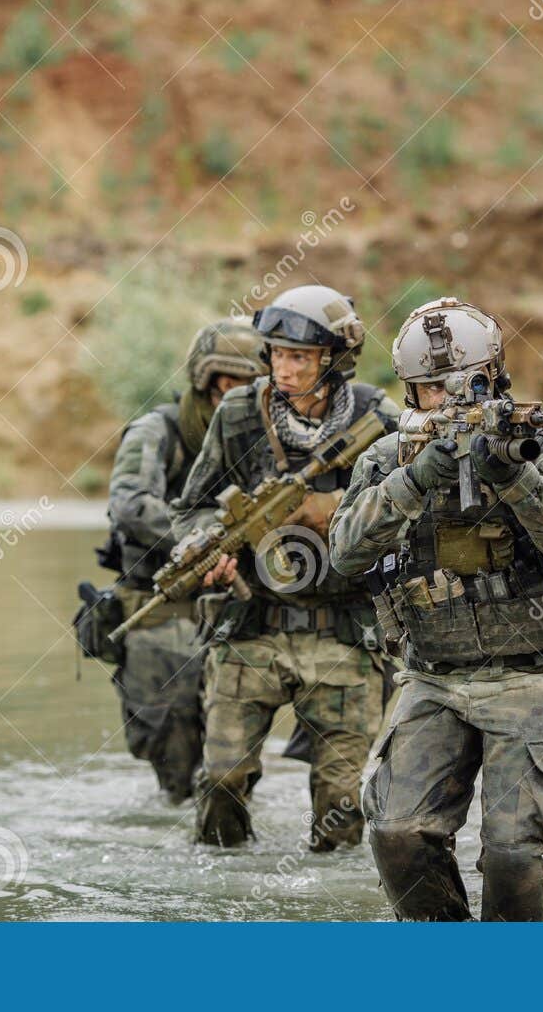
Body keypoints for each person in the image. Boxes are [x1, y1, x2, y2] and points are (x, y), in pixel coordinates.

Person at [328, 297, 543, 921]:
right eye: (431, 389)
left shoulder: (542, 451)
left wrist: (512, 477)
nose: (447, 401)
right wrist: (415, 479)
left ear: (493, 379)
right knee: (398, 834)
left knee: (511, 853)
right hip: (434, 675)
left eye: (465, 385)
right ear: (410, 392)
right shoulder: (388, 459)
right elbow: (344, 553)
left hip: (532, 672)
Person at [172, 285, 399, 850]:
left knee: (339, 802)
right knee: (221, 781)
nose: (284, 368)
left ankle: (333, 898)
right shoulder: (238, 414)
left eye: (300, 356)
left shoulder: (380, 419)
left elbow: (414, 515)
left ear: (334, 360)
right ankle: (219, 886)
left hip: (344, 632)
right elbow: (191, 506)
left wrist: (334, 510)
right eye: (276, 353)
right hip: (253, 623)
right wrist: (206, 546)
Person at [100, 320, 265, 802]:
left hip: (236, 612)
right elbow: (130, 504)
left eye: (247, 385)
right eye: (225, 382)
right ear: (202, 378)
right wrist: (207, 534)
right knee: (175, 762)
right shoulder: (158, 431)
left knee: (232, 771)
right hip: (163, 613)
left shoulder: (259, 438)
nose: (233, 395)